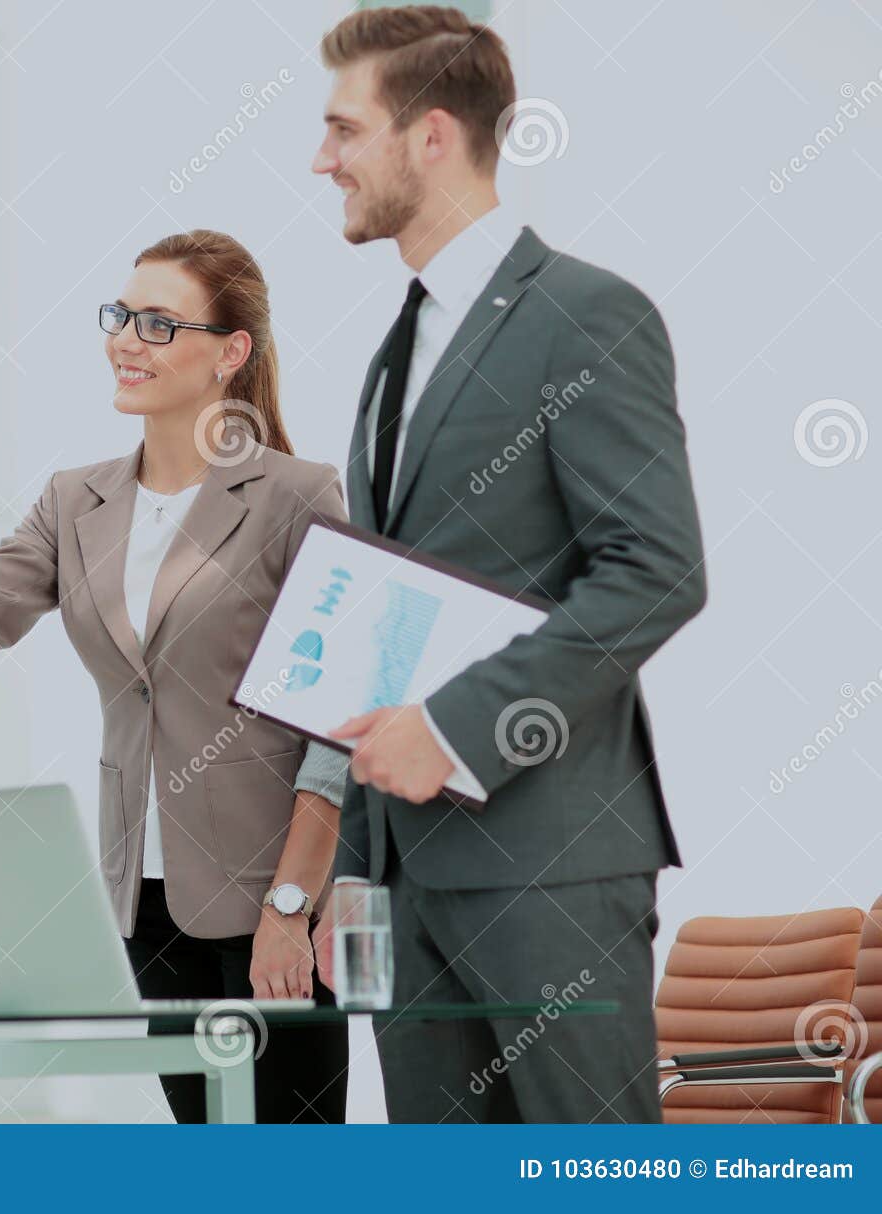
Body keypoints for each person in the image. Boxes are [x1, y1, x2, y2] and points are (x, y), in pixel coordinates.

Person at [0, 230, 352, 1123]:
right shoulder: (77, 501)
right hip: (146, 898)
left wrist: (292, 903)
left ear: (230, 352)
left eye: (159, 323)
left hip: (271, 896)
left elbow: (340, 718)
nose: (126, 340)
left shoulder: (296, 494)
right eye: (120, 316)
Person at [305, 5, 707, 1123]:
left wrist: (452, 729)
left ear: (431, 135)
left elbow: (656, 568)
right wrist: (354, 864)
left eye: (344, 129)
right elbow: (389, 615)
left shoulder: (583, 315)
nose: (323, 159)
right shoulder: (395, 353)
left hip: (548, 861)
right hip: (405, 881)